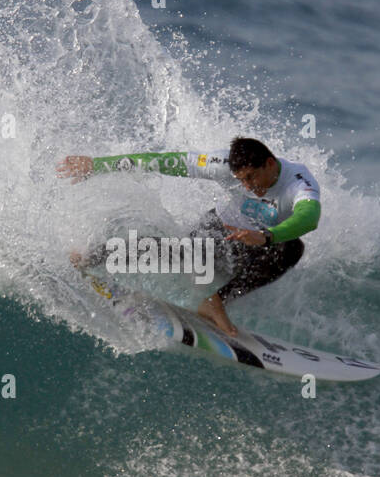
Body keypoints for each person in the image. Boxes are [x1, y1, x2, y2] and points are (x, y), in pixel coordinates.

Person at [55, 136, 321, 336]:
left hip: (257, 246)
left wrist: (265, 236)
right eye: (241, 180)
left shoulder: (298, 181)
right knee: (173, 252)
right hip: (219, 229)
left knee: (292, 249)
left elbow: (308, 217)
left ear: (270, 164)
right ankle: (93, 257)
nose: (248, 187)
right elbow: (162, 162)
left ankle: (214, 303)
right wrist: (99, 165)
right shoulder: (221, 164)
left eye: (252, 178)